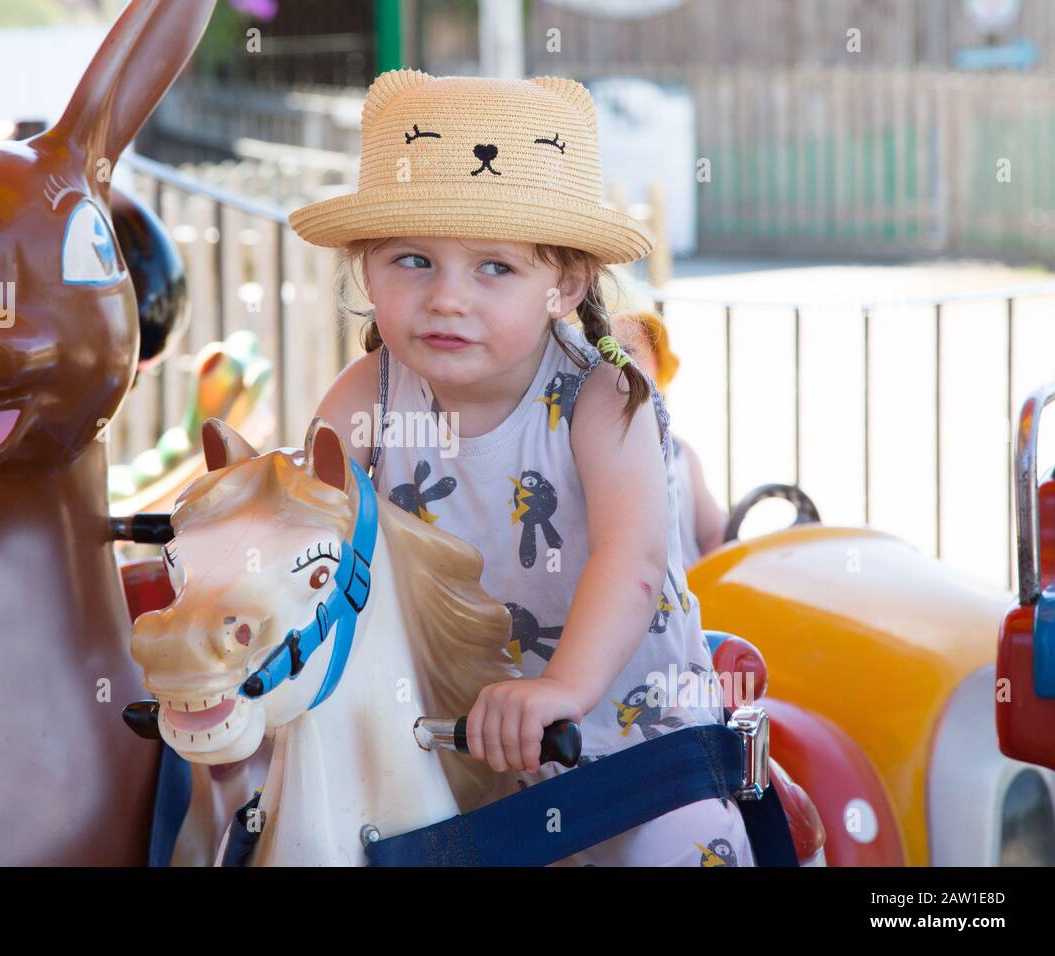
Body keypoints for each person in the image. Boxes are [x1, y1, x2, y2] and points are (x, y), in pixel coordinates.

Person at [294, 70, 754, 866]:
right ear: (365, 271)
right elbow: (306, 537)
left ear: (563, 285)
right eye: (412, 260)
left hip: (621, 740)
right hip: (441, 744)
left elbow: (633, 556)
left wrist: (560, 692)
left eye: (494, 268)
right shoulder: (362, 397)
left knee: (687, 852)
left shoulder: (600, 396)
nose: (446, 298)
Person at [608, 273, 728, 569]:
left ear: (657, 363)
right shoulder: (575, 464)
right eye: (597, 353)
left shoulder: (680, 455)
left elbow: (715, 532)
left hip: (696, 603)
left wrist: (731, 549)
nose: (618, 366)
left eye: (628, 350)